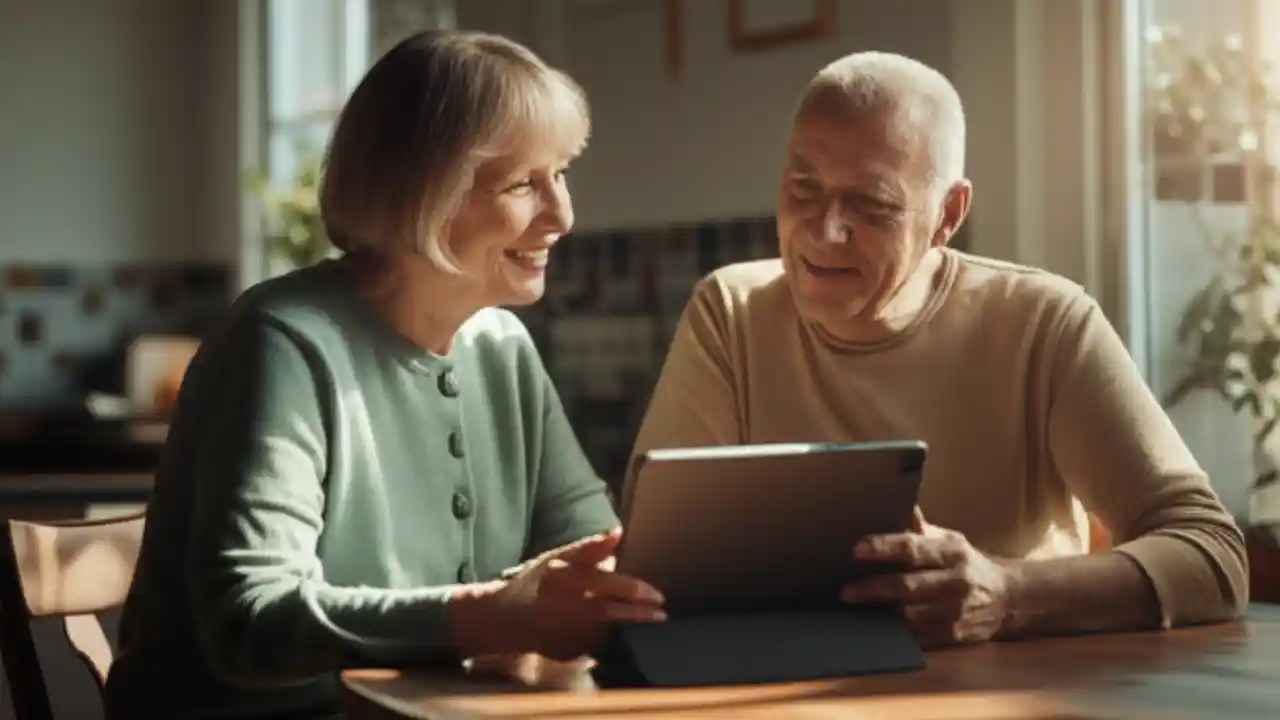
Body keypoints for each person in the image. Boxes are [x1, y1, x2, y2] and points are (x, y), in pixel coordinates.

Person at [106, 31, 665, 719]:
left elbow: (586, 547)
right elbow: (248, 623)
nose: (563, 216)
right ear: (422, 195)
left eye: (562, 174)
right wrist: (492, 616)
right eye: (523, 183)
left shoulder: (500, 346)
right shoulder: (280, 341)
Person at [628, 51, 1247, 648]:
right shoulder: (730, 313)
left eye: (870, 204)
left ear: (948, 214)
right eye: (803, 187)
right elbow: (655, 562)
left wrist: (1008, 595)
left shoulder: (1044, 324)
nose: (824, 230)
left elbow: (1212, 554)